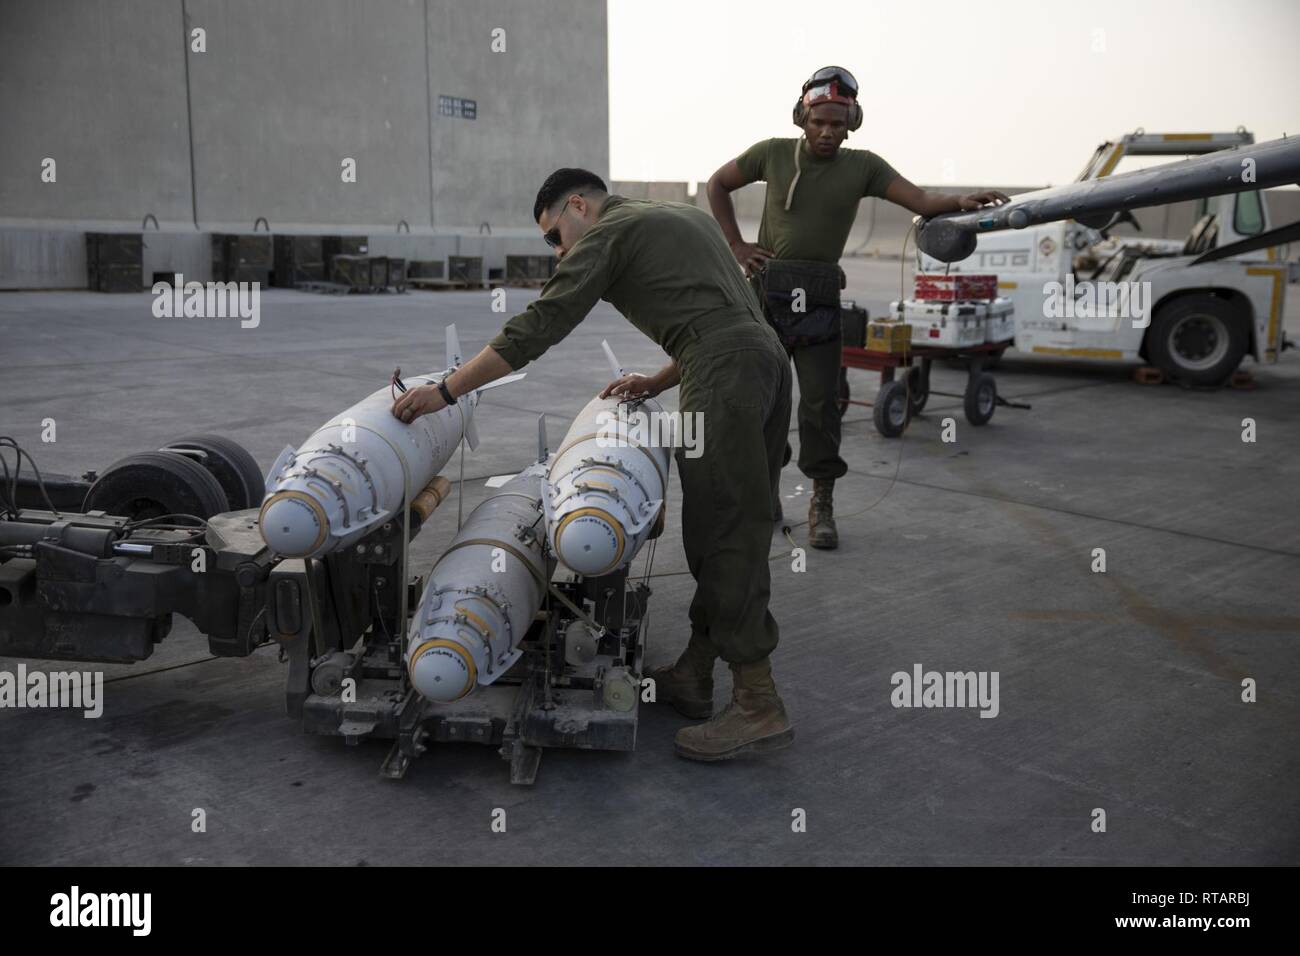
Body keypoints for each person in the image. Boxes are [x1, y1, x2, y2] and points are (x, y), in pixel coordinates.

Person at [391, 168, 795, 761]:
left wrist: (447, 392)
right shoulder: (679, 216)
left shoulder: (609, 232)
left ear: (577, 205)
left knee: (724, 529)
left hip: (725, 372)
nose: (559, 252)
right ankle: (696, 672)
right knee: (739, 522)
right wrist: (658, 378)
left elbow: (542, 323)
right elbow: (718, 314)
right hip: (761, 359)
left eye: (555, 236)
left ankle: (758, 702)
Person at [707, 65, 1009, 549]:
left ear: (853, 122)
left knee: (822, 405)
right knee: (762, 402)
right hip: (768, 295)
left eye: (838, 123)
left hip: (821, 299)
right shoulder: (771, 154)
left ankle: (821, 502)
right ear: (801, 118)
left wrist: (960, 199)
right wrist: (737, 246)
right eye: (819, 121)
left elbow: (921, 200)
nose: (828, 132)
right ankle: (765, 491)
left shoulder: (863, 166)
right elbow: (717, 184)